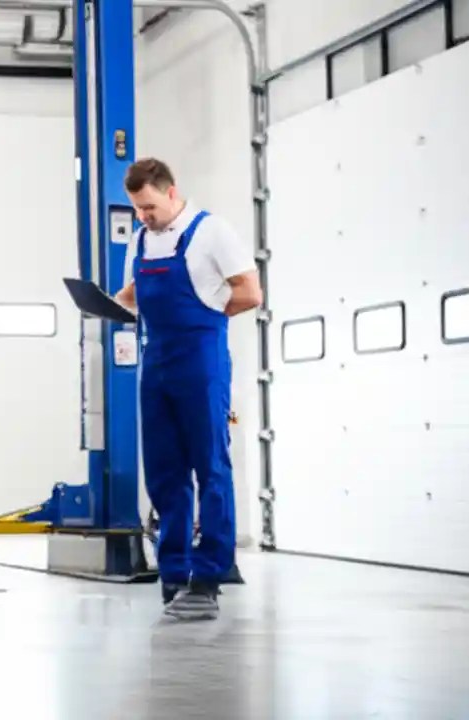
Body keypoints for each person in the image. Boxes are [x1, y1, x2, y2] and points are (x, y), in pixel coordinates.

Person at [113, 158, 262, 620]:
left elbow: (250, 293)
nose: (144, 217)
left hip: (201, 362)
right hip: (154, 364)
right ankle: (173, 573)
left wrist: (210, 316)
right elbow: (133, 294)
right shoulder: (139, 239)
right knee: (163, 473)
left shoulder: (211, 230)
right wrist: (105, 303)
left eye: (150, 207)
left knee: (210, 468)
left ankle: (210, 576)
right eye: (137, 209)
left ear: (171, 192)